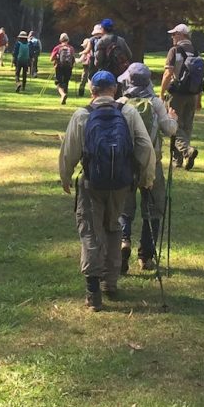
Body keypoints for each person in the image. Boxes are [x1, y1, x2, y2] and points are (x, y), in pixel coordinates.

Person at [59, 70, 155, 310]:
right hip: (122, 183)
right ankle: (110, 282)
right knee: (114, 227)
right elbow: (144, 146)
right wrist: (147, 176)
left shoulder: (82, 115)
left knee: (91, 231)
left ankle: (93, 291)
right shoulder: (128, 112)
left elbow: (69, 150)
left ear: (92, 91)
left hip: (93, 182)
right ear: (114, 89)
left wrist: (65, 176)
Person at [117, 62, 178, 273]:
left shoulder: (121, 103)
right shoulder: (156, 103)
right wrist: (173, 118)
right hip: (151, 162)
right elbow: (169, 130)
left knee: (124, 206)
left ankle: (123, 241)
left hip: (124, 162)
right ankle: (146, 256)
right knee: (153, 207)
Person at [160, 23, 204, 170]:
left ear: (181, 35)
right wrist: (199, 99)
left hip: (176, 94)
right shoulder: (197, 52)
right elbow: (200, 78)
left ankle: (185, 152)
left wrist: (161, 93)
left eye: (174, 34)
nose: (172, 37)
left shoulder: (174, 50)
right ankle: (182, 158)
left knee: (174, 124)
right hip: (192, 94)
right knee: (187, 126)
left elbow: (168, 73)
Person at [91, 18, 133, 85]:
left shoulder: (101, 42)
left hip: (106, 74)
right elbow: (129, 55)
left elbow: (98, 62)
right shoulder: (121, 40)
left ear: (102, 29)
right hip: (120, 73)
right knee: (119, 93)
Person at [49, 33, 78, 105]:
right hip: (68, 67)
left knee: (58, 82)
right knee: (66, 82)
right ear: (68, 40)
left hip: (59, 66)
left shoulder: (57, 47)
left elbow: (51, 59)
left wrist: (56, 58)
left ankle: (62, 95)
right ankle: (64, 98)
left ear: (60, 40)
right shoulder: (71, 48)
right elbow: (73, 59)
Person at [77, 25, 101, 97]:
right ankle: (99, 92)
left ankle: (92, 93)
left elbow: (86, 51)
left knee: (88, 78)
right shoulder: (105, 39)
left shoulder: (92, 40)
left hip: (91, 63)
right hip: (101, 62)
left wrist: (81, 53)